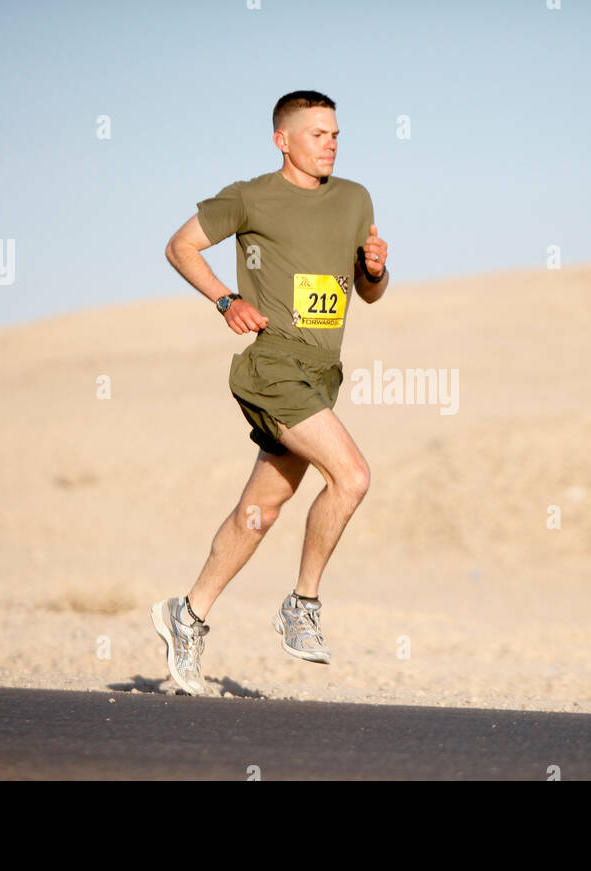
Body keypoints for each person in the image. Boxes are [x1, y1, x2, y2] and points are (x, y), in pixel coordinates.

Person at [151, 90, 390, 695]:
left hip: (321, 372)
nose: (330, 143)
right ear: (283, 140)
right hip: (273, 366)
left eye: (336, 134)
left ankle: (189, 613)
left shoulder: (355, 199)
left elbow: (367, 295)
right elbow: (180, 246)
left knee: (260, 512)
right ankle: (301, 606)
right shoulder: (250, 197)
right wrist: (226, 300)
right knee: (353, 477)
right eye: (317, 134)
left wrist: (375, 269)